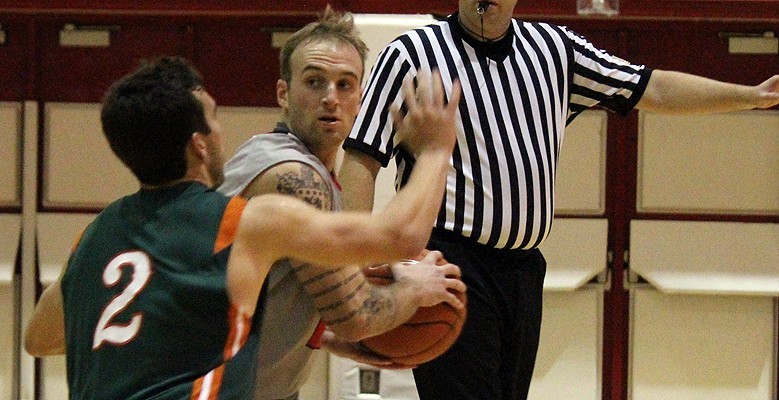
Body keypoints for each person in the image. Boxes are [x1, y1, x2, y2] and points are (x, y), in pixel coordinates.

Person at [338, 1, 779, 399]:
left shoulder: (554, 49)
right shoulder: (410, 53)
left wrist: (753, 97)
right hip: (448, 261)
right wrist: (352, 276)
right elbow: (362, 159)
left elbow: (653, 88)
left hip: (524, 269)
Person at [23, 55, 464, 399]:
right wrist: (435, 148)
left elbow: (39, 338)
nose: (219, 131)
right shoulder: (246, 221)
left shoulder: (95, 235)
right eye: (214, 119)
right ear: (199, 145)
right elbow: (398, 237)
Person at [217, 7, 464, 400]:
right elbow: (359, 314)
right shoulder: (292, 176)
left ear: (361, 99)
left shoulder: (271, 157)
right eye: (314, 81)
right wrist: (417, 291)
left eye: (345, 84)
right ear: (283, 93)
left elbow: (273, 288)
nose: (331, 98)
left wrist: (325, 335)